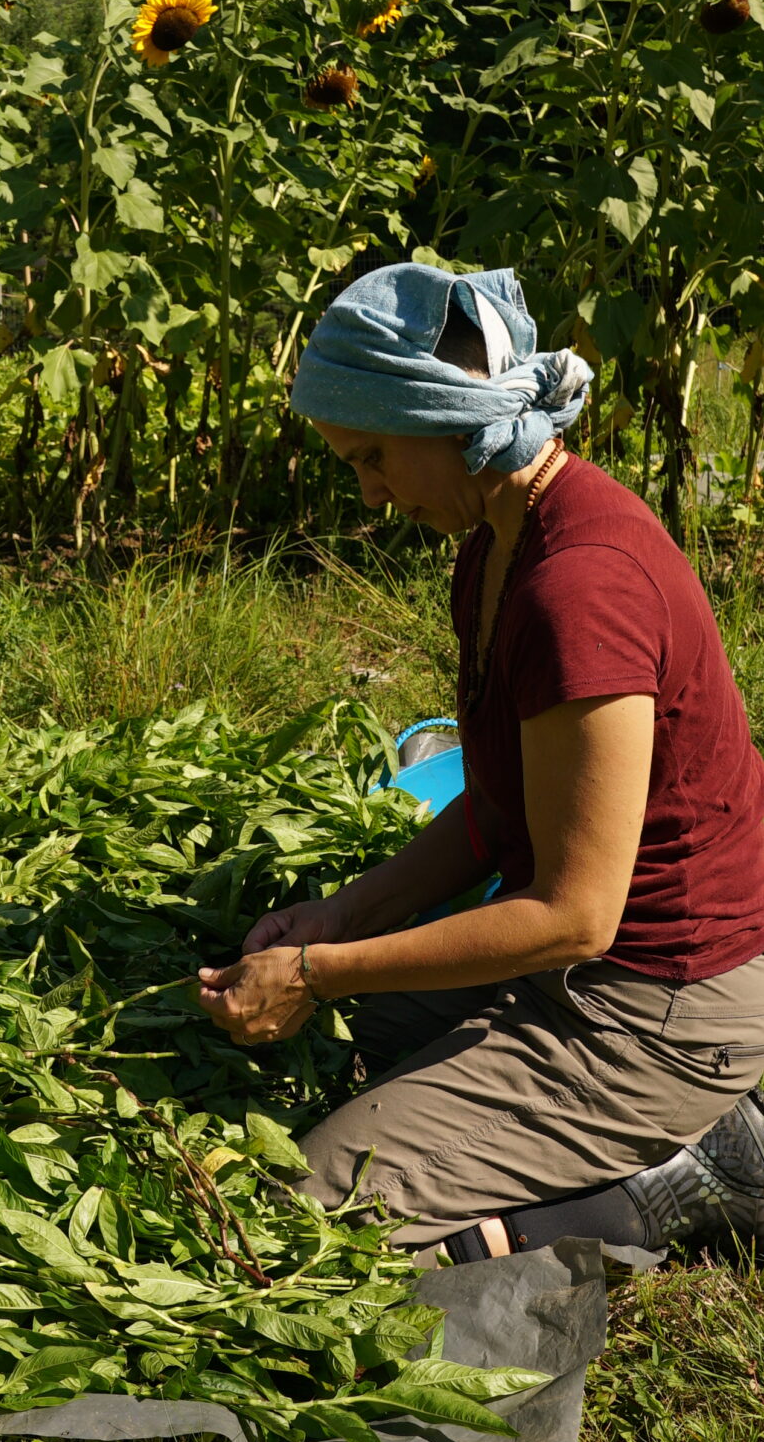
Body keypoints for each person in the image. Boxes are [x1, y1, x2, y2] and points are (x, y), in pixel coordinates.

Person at [198, 263, 764, 1261]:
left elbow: (573, 916)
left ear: (443, 418)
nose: (370, 493)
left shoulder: (578, 589)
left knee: (294, 1229)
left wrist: (320, 973)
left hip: (652, 1005)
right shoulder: (495, 544)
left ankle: (670, 1182)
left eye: (373, 456)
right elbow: (497, 811)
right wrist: (340, 918)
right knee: (310, 1042)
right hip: (571, 968)